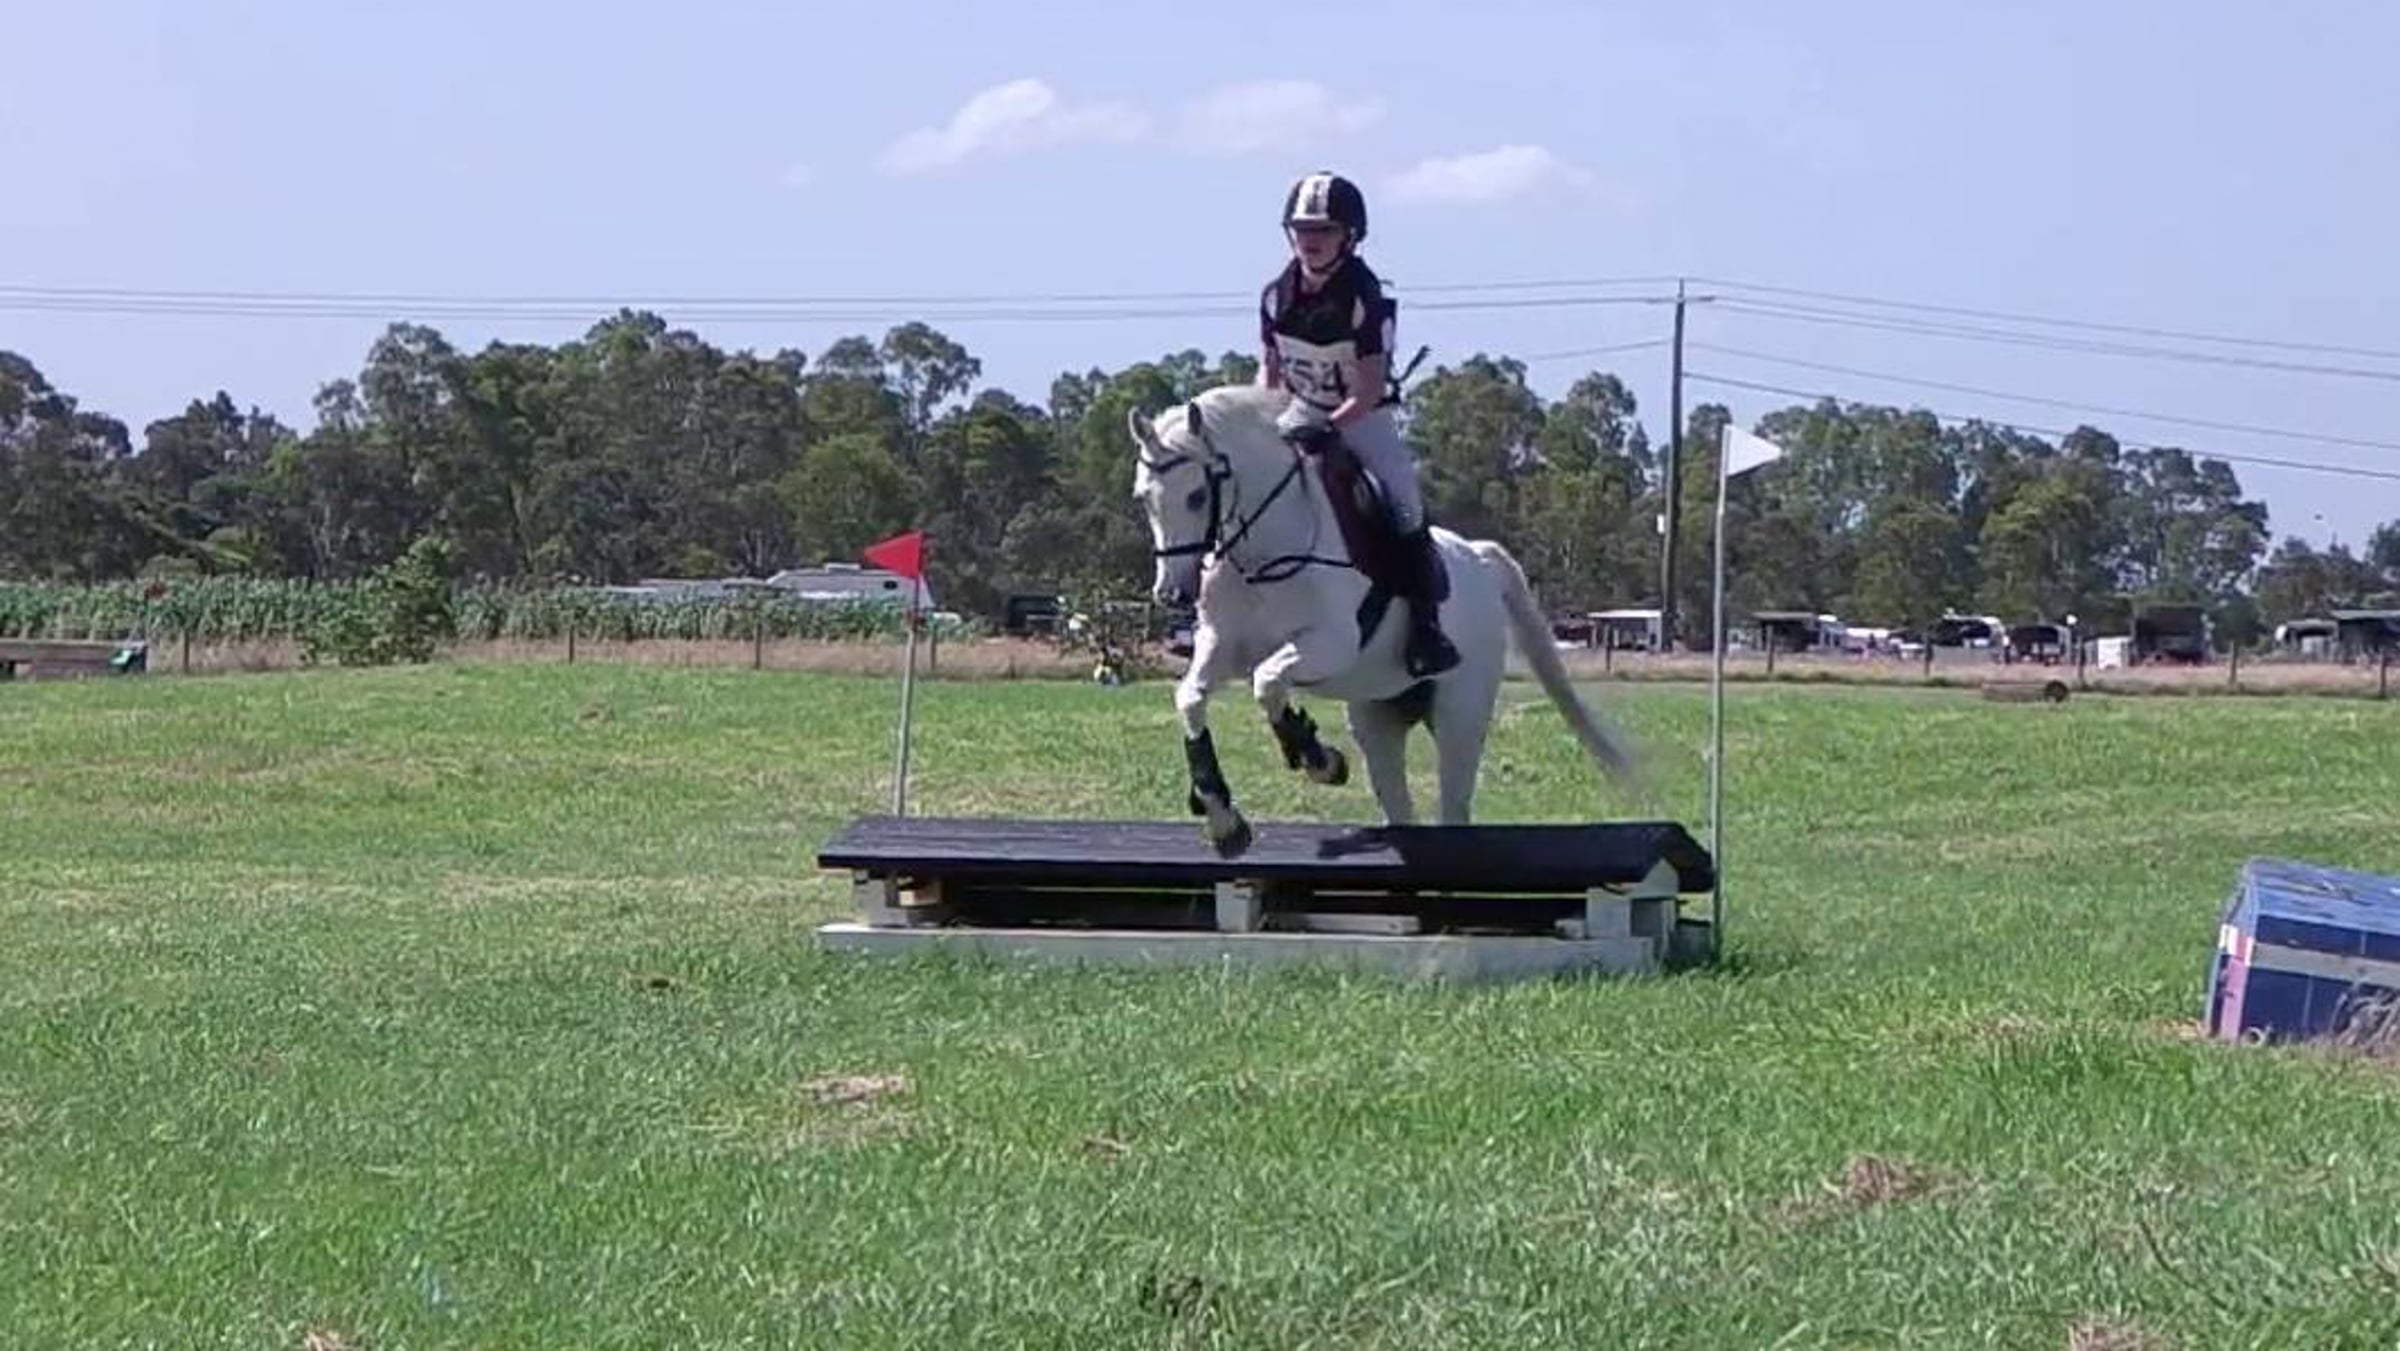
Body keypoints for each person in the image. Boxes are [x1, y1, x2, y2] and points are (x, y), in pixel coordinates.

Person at [1257, 169, 1459, 678]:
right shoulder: (1275, 296)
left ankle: (1425, 628)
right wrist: (1265, 423)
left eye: (1323, 231)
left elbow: (1366, 390)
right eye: (1303, 230)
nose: (1311, 241)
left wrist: (1331, 428)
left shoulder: (1366, 296)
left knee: (1405, 507)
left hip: (1360, 418)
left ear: (1349, 236)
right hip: (1300, 409)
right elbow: (1269, 373)